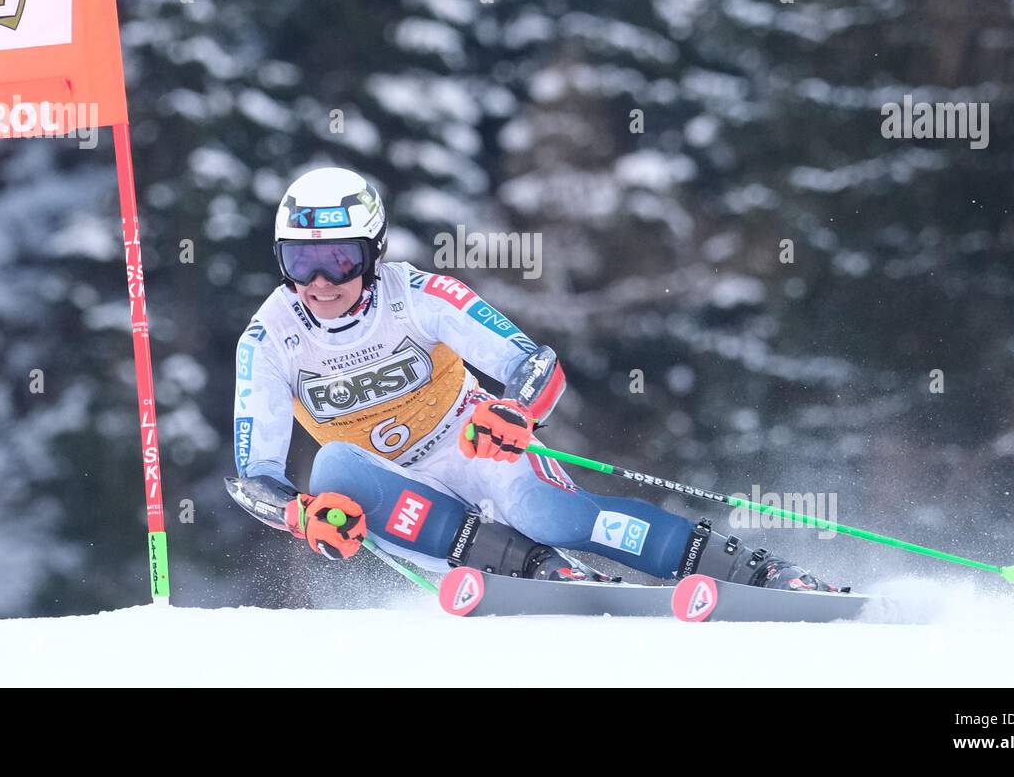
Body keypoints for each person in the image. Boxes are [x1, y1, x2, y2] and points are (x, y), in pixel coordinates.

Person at [232, 165, 842, 590]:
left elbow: (535, 364)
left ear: (374, 252)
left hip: (468, 440)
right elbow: (254, 476)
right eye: (299, 260)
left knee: (550, 513)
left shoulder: (417, 294)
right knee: (333, 466)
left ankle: (747, 569)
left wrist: (516, 411)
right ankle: (535, 569)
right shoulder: (268, 339)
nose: (319, 282)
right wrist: (298, 514)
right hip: (398, 492)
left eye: (338, 259)